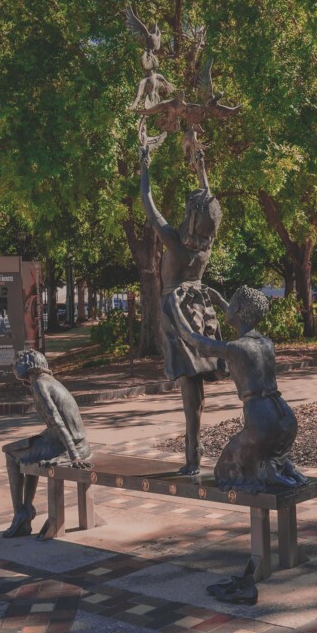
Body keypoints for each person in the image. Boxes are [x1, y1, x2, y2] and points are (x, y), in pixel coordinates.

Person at [141, 145, 227, 475]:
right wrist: (202, 168)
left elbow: (148, 202)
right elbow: (209, 200)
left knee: (190, 384)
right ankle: (194, 445)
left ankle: (193, 451)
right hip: (200, 310)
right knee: (195, 384)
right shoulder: (204, 248)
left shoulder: (173, 241)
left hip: (176, 312)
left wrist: (145, 166)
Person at [169, 285, 307, 493]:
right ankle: (275, 470)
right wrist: (219, 300)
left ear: (238, 309)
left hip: (262, 422)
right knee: (270, 458)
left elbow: (192, 339)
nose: (227, 307)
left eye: (231, 303)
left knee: (225, 469)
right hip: (285, 418)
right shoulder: (266, 343)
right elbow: (244, 319)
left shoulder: (236, 349)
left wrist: (174, 306)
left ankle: (270, 472)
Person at [1, 349, 93, 538]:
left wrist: (73, 455)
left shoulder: (40, 385)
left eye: (18, 361)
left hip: (69, 445)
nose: (14, 366)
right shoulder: (48, 381)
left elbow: (58, 422)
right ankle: (26, 508)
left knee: (11, 454)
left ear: (29, 365)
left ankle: (21, 511)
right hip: (71, 441)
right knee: (28, 450)